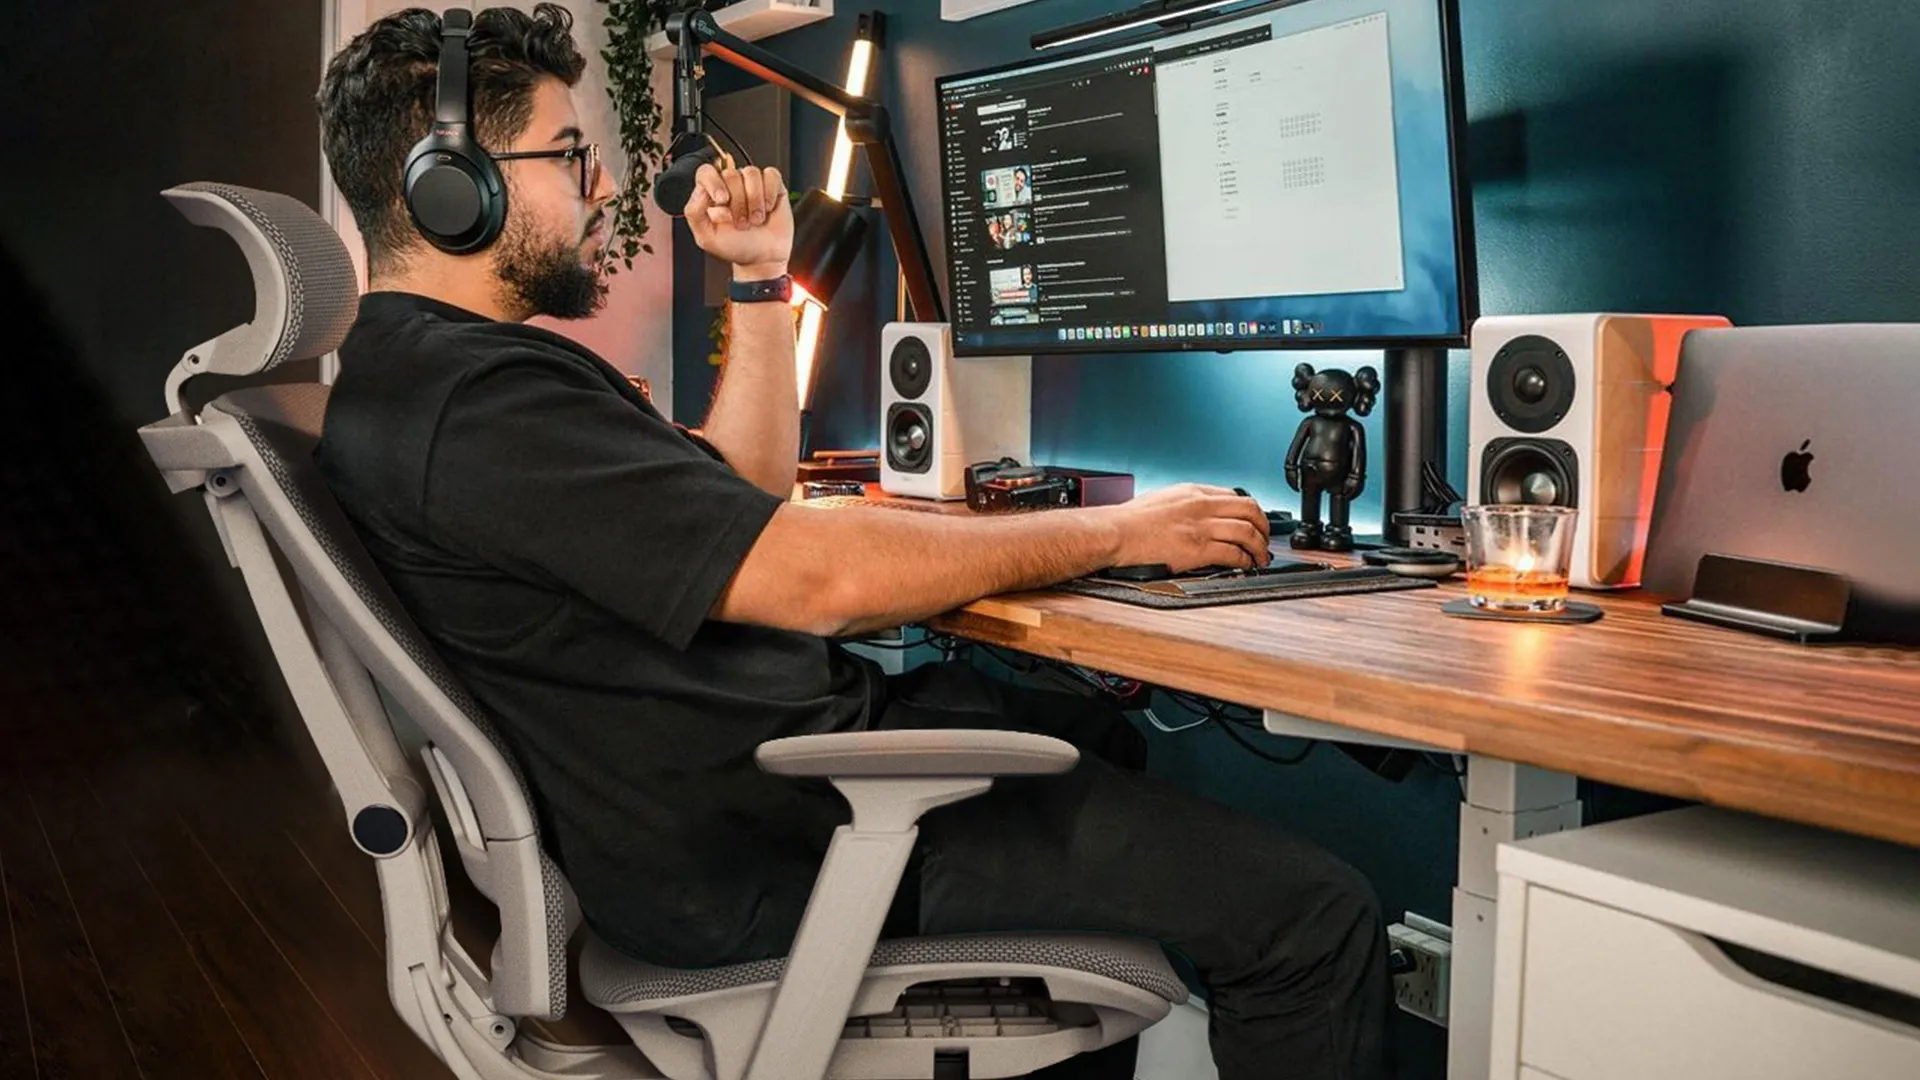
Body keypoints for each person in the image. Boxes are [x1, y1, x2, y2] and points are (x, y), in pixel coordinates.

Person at [313, 8, 1392, 1079]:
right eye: (572, 156)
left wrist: (759, 278)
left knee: (1097, 739)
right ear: (448, 185)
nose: (602, 189)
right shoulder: (479, 403)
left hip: (741, 805)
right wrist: (1120, 530)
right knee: (1314, 920)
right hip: (780, 843)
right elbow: (819, 580)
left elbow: (739, 495)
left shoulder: (433, 377)